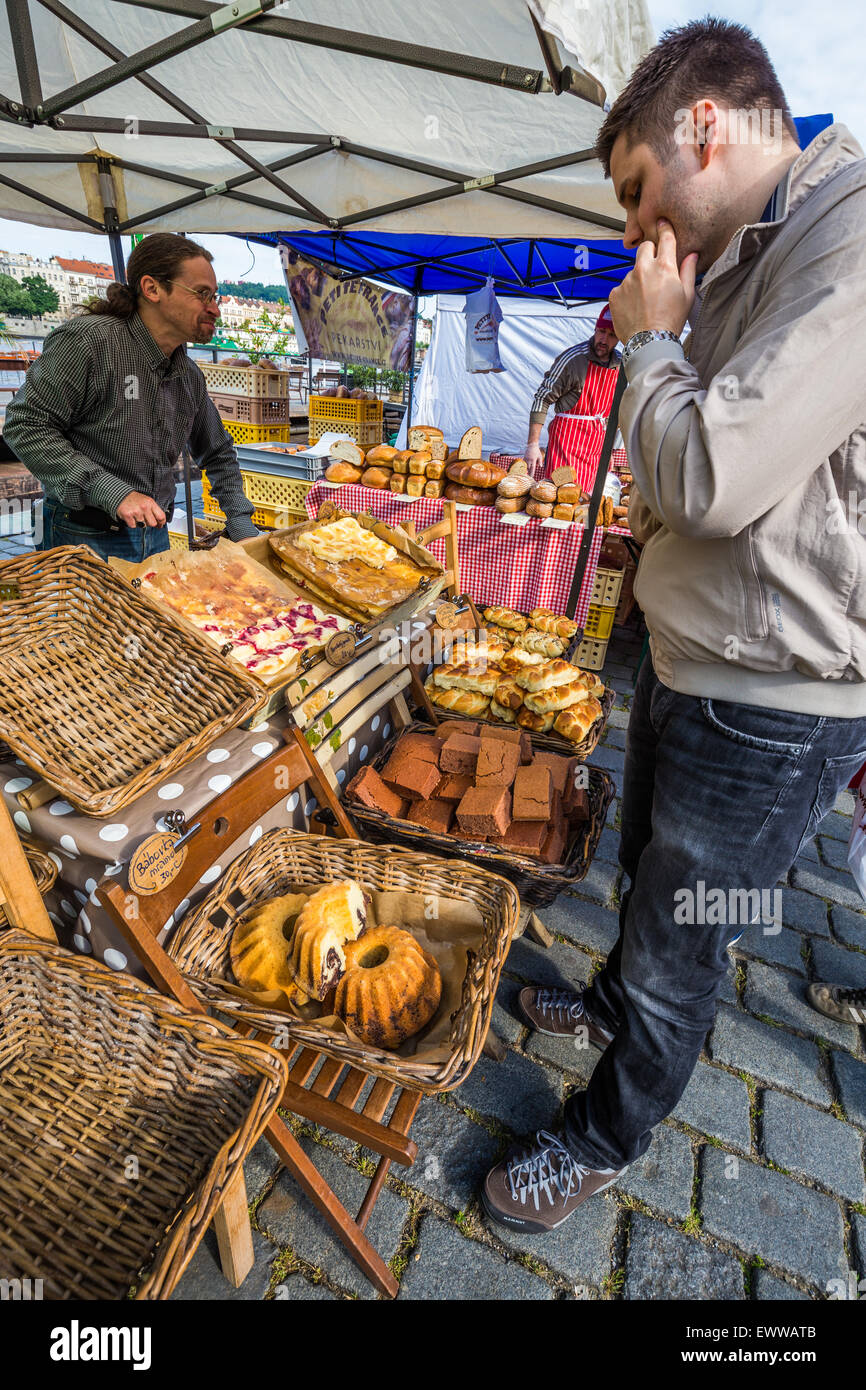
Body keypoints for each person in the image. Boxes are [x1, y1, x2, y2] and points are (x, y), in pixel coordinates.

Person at [481, 17, 866, 1233]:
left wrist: (653, 338)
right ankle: (602, 1006)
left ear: (704, 125)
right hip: (694, 656)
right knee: (642, 872)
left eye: (638, 191)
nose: (634, 229)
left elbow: (705, 478)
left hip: (774, 698)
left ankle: (608, 1131)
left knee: (682, 941)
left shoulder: (848, 233)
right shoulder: (746, 251)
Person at [4, 232, 257, 561]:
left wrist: (240, 522)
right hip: (82, 534)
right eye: (202, 295)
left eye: (216, 297)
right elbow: (26, 425)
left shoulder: (188, 375)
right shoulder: (90, 343)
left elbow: (218, 452)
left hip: (155, 535)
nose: (215, 310)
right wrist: (113, 492)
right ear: (152, 289)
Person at [524, 305, 620, 486]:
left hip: (596, 451)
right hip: (565, 447)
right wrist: (533, 444)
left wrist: (609, 451)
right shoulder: (573, 359)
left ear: (620, 337)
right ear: (595, 328)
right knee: (562, 502)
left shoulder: (620, 365)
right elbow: (542, 398)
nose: (604, 339)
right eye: (601, 331)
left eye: (612, 335)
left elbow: (615, 415)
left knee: (587, 505)